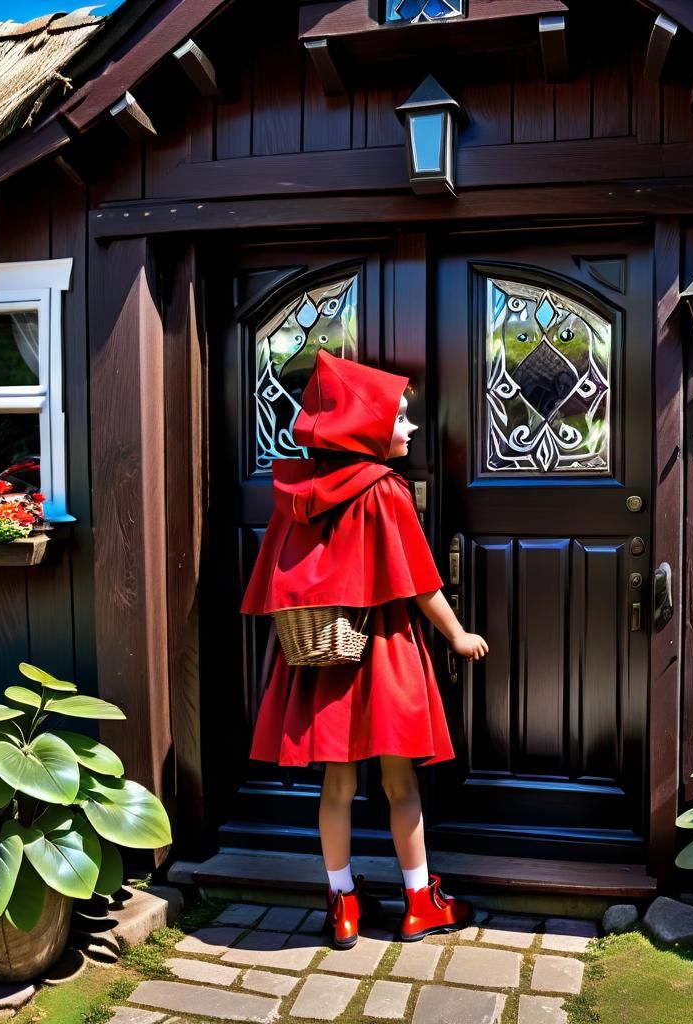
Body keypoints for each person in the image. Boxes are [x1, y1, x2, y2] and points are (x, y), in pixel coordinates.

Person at [241, 349, 489, 950]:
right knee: (401, 785)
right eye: (399, 418)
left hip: (323, 658)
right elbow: (420, 580)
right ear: (364, 427)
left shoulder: (295, 488)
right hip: (381, 651)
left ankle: (343, 905)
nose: (409, 428)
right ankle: (419, 902)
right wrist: (457, 635)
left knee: (336, 789)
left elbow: (279, 573)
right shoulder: (385, 490)